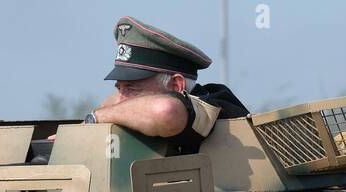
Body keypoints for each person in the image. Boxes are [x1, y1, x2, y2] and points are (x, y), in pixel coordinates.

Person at [88, 16, 248, 155]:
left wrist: (97, 117)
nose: (120, 100)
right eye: (119, 88)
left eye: (131, 88)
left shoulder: (209, 106)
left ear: (176, 85)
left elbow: (166, 111)